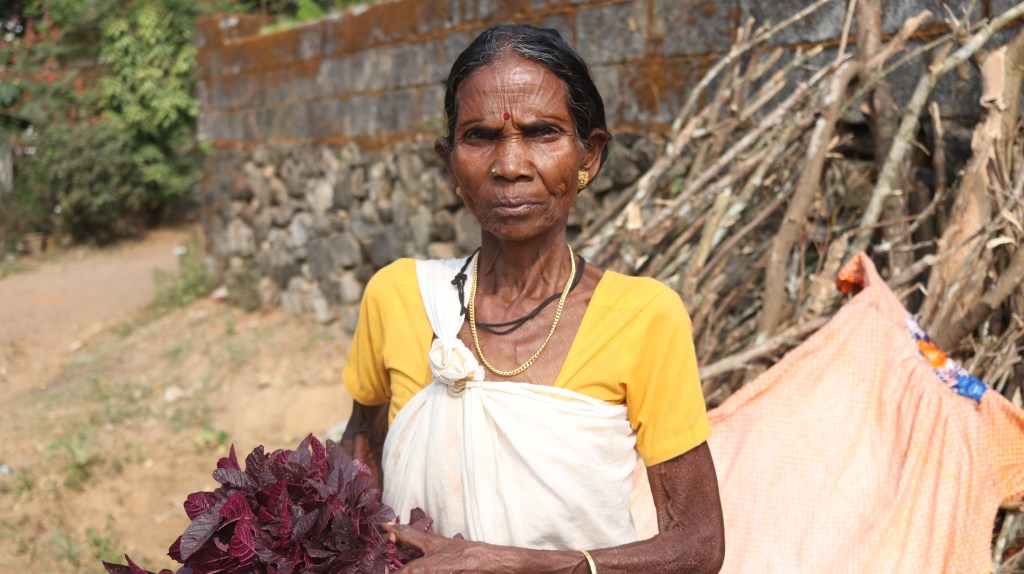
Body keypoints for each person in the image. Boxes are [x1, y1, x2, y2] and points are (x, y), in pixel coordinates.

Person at [341, 23, 724, 574]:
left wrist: (521, 564)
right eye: (480, 137)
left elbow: (698, 544)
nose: (511, 166)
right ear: (448, 160)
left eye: (542, 132)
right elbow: (361, 440)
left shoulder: (642, 317)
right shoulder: (398, 296)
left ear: (589, 156)